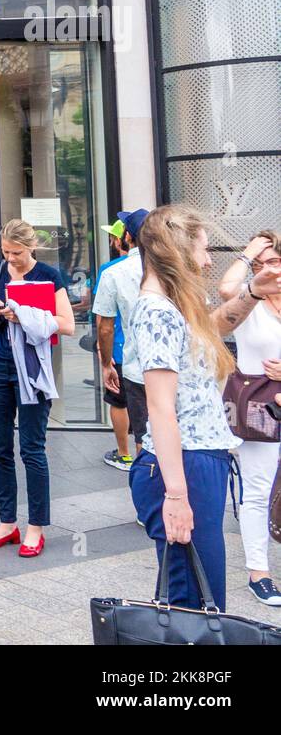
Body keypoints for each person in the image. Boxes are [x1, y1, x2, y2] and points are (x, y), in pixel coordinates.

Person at [127, 205, 281, 611]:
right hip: (184, 467)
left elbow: (211, 330)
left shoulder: (173, 308)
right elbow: (161, 409)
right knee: (193, 603)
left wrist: (253, 291)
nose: (208, 259)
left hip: (198, 462)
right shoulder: (157, 311)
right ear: (178, 251)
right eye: (203, 249)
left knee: (201, 595)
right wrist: (177, 495)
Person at [0, 218, 73, 557]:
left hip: (32, 370)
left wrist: (25, 315)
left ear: (32, 248)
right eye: (6, 252)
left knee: (32, 449)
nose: (11, 258)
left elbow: (67, 324)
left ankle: (36, 527)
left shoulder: (48, 276)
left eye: (17, 253)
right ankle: (7, 523)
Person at [216, 229, 281, 606]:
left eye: (275, 261)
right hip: (259, 407)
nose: (270, 269)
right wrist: (248, 253)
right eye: (262, 264)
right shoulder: (248, 306)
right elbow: (227, 291)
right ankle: (260, 571)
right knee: (258, 489)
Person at [93, 210, 150, 474]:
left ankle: (146, 493)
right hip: (173, 364)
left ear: (127, 236)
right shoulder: (175, 267)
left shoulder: (114, 272)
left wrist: (105, 363)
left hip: (133, 362)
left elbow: (104, 326)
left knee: (141, 430)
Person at [91, 217, 134, 471]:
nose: (110, 240)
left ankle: (124, 454)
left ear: (121, 239)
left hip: (118, 347)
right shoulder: (155, 267)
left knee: (119, 401)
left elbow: (102, 317)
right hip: (147, 351)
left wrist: (102, 350)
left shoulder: (111, 270)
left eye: (113, 236)